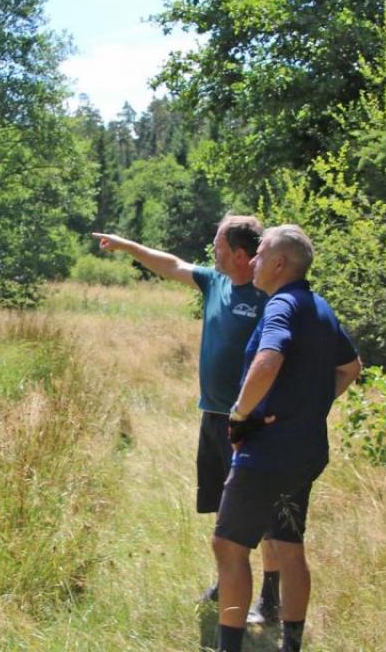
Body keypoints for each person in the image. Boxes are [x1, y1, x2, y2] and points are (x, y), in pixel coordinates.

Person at [91, 217, 282, 624]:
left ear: (240, 254)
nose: (211, 250)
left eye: (217, 245)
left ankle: (268, 597)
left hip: (248, 423)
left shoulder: (269, 297)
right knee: (224, 507)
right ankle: (227, 578)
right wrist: (127, 246)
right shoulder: (217, 282)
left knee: (261, 513)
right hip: (213, 417)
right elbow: (172, 265)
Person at [212, 224, 363, 652]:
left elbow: (269, 357)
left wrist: (240, 417)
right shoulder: (320, 307)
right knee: (288, 545)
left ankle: (229, 647)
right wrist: (308, 407)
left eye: (260, 254)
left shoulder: (281, 306)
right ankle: (291, 646)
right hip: (305, 451)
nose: (253, 261)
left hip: (268, 454)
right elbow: (352, 367)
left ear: (280, 263)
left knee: (228, 544)